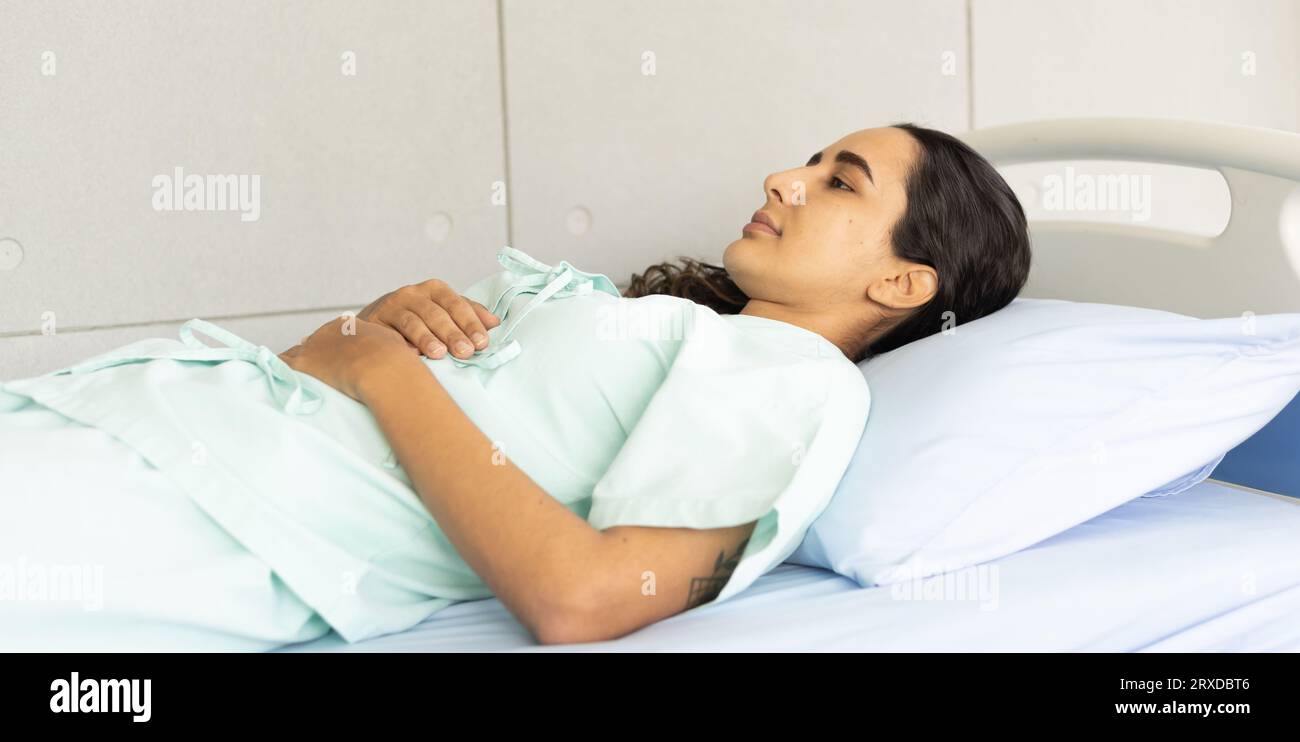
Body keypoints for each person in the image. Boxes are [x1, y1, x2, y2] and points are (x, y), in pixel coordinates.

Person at [0, 123, 1030, 650]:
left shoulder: (794, 380)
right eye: (806, 157)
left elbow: (582, 595)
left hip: (188, 513)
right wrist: (365, 331)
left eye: (839, 180)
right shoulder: (658, 321)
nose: (782, 179)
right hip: (127, 422)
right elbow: (348, 362)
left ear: (900, 281)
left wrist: (379, 370)